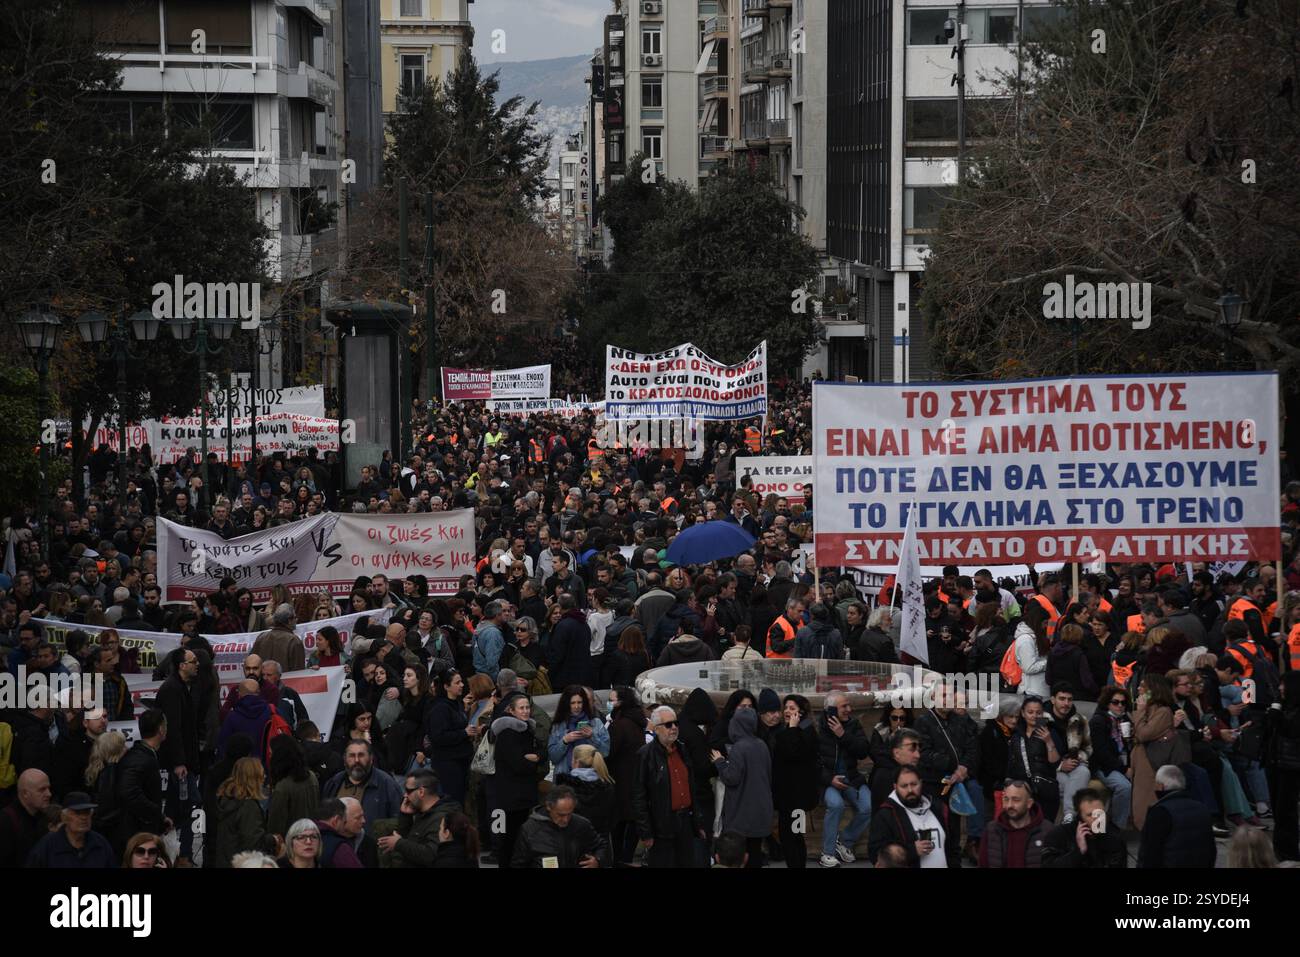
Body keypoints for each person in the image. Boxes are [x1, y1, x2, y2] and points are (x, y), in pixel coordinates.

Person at [633, 706, 708, 868]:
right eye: (668, 725)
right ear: (657, 729)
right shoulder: (645, 755)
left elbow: (691, 787)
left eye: (675, 723)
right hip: (661, 826)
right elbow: (639, 797)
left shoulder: (682, 749)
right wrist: (646, 832)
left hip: (685, 822)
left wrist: (697, 822)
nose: (674, 728)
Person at [710, 704, 774, 868]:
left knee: (740, 856)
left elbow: (731, 778)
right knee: (755, 854)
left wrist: (720, 762)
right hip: (761, 811)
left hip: (743, 815)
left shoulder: (739, 747)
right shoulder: (762, 745)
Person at [154, 647, 200, 866]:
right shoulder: (172, 689)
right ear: (182, 665)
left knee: (178, 809)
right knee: (189, 807)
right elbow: (173, 729)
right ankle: (183, 857)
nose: (197, 664)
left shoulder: (181, 687)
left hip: (184, 762)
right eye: (193, 661)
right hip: (179, 765)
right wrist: (179, 762)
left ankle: (178, 855)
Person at [486, 692, 543, 868]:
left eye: (527, 708)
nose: (526, 711)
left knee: (517, 838)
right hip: (510, 797)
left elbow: (541, 752)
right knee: (508, 840)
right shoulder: (508, 733)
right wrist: (532, 762)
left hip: (519, 795)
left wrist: (536, 758)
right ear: (512, 711)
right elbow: (518, 763)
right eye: (522, 708)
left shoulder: (528, 729)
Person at [817, 691, 872, 868]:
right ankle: (827, 853)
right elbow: (813, 762)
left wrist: (843, 735)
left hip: (851, 778)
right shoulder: (819, 729)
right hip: (828, 781)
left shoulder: (853, 725)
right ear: (831, 710)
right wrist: (829, 779)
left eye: (849, 705)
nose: (849, 709)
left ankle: (845, 842)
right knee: (836, 805)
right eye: (844, 706)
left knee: (868, 807)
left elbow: (863, 750)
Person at [867, 765, 960, 868]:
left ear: (921, 783)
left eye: (914, 784)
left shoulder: (939, 808)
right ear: (895, 786)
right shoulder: (886, 815)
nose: (910, 790)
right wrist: (911, 850)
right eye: (904, 786)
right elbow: (875, 853)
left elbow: (954, 848)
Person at [769, 693, 819, 868]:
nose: (787, 712)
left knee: (793, 837)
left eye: (792, 708)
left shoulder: (805, 731)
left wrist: (792, 728)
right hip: (788, 797)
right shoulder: (796, 729)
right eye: (786, 708)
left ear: (801, 712)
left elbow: (793, 753)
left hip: (796, 800)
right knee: (791, 837)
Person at [377, 768, 463, 867]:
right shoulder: (423, 812)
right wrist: (406, 817)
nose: (405, 795)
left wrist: (398, 843)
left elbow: (431, 854)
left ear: (421, 792)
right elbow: (408, 840)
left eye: (408, 791)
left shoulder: (441, 818)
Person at [113, 709, 168, 856]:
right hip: (135, 832)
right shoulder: (140, 758)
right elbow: (129, 792)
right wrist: (156, 813)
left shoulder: (144, 755)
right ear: (161, 730)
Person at [1137, 765, 1217, 868]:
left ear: (1161, 786)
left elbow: (1149, 855)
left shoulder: (1160, 812)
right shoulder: (1202, 809)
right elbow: (1211, 850)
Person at [511, 785, 608, 868]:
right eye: (561, 815)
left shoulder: (582, 824)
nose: (566, 820)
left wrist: (598, 860)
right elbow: (518, 864)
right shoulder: (529, 830)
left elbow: (601, 845)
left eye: (569, 814)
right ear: (549, 806)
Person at [606, 686, 648, 865]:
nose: (609, 703)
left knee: (618, 829)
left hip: (620, 782)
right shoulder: (636, 721)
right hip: (634, 780)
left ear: (621, 703)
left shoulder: (619, 725)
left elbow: (609, 753)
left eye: (612, 699)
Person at [423, 669, 477, 804]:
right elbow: (438, 736)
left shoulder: (456, 703)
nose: (462, 685)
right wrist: (464, 733)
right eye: (457, 682)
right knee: (453, 801)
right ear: (446, 686)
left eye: (461, 682)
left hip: (460, 760)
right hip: (447, 763)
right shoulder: (440, 708)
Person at [1006, 696, 1062, 823]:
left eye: (1038, 712)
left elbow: (1055, 763)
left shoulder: (1051, 731)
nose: (1034, 716)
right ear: (1023, 713)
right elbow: (1011, 764)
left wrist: (1048, 741)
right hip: (1022, 790)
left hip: (1044, 791)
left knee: (1043, 828)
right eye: (1030, 712)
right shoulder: (1016, 736)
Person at [25, 792, 117, 868]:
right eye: (77, 813)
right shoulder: (47, 846)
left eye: (87, 812)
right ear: (64, 817)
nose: (84, 817)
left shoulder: (100, 844)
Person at [321, 740, 404, 824]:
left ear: (371, 758)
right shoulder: (334, 782)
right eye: (352, 755)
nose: (356, 760)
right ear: (345, 759)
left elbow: (398, 821)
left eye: (361, 755)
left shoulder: (387, 785)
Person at [1264, 671, 1300, 862]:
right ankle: (1282, 850)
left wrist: (1277, 717)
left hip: (1290, 766)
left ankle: (1288, 852)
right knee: (1280, 810)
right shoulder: (1284, 706)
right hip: (1277, 763)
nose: (1280, 688)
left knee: (1286, 811)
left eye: (1283, 685)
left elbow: (1292, 730)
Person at [1088, 684, 1136, 829]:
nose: (1120, 706)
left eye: (1123, 702)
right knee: (1124, 787)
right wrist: (1123, 769)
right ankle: (1117, 827)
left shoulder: (1125, 719)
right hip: (1105, 766)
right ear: (1107, 703)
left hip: (1124, 762)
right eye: (1115, 702)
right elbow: (1102, 753)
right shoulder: (1099, 721)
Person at [1041, 788, 1127, 868]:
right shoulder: (1059, 835)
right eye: (1090, 815)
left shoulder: (1114, 836)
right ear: (1080, 815)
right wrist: (1078, 852)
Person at [1045, 682, 1093, 824]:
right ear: (1053, 699)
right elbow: (1036, 752)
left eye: (1069, 699)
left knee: (1084, 772)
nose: (1066, 703)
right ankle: (1070, 818)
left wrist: (1078, 757)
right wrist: (1060, 765)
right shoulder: (1042, 720)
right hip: (1051, 767)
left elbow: (1088, 748)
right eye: (1062, 699)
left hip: (1075, 765)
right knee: (1067, 784)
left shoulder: (1080, 720)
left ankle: (1068, 818)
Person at [213, 756, 274, 868]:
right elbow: (253, 843)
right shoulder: (248, 806)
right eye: (261, 774)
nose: (264, 777)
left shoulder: (226, 800)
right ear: (254, 777)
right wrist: (272, 840)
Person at [978, 779, 1051, 868]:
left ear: (1029, 803)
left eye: (1016, 800)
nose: (1009, 805)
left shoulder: (1048, 831)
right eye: (1006, 799)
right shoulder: (991, 830)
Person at [555, 744, 616, 841]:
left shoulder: (564, 788)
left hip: (570, 842)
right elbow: (611, 820)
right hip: (598, 842)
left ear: (576, 762)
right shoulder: (607, 787)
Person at [548, 685, 611, 776]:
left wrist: (592, 737)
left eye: (579, 702)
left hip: (590, 779)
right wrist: (564, 741)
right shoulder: (558, 726)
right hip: (564, 777)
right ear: (566, 704)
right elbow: (553, 757)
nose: (576, 706)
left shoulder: (596, 723)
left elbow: (605, 753)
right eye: (572, 703)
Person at [266, 736, 320, 840]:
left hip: (290, 842)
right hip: (311, 836)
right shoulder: (311, 776)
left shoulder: (282, 788)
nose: (269, 756)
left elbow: (275, 826)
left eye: (272, 753)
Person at [0, 769, 52, 867]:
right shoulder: (6, 821)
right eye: (42, 789)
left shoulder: (44, 819)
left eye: (49, 788)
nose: (49, 794)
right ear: (25, 794)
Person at [251, 603, 306, 672]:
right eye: (295, 617)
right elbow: (299, 672)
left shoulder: (261, 637)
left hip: (263, 682)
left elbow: (252, 663)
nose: (296, 620)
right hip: (286, 681)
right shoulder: (294, 641)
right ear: (289, 620)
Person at [317, 797, 366, 868]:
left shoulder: (303, 838)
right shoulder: (340, 848)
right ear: (336, 820)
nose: (344, 826)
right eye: (344, 822)